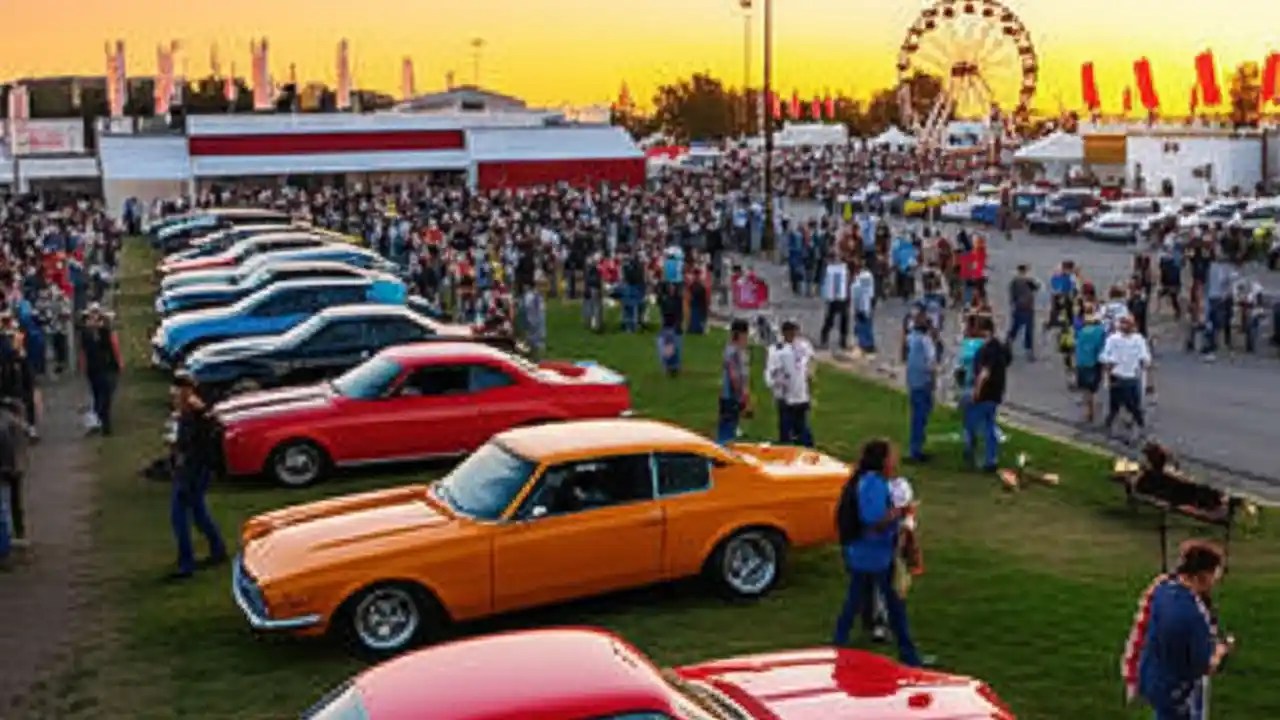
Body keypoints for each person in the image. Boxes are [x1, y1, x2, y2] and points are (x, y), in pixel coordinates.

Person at [832, 439, 925, 667]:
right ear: (881, 460)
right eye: (891, 456)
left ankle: (837, 644)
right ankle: (909, 656)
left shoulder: (866, 481)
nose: (895, 460)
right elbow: (873, 521)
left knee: (856, 600)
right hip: (874, 554)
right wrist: (902, 511)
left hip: (865, 553)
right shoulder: (873, 484)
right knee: (894, 603)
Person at [1123, 540, 1233, 720]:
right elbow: (1205, 666)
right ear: (1202, 575)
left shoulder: (1162, 589)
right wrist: (1221, 651)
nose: (1216, 580)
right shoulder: (1193, 617)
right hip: (1180, 693)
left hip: (1157, 680)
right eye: (1215, 574)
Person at [168, 372, 228, 580]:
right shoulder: (197, 411)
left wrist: (177, 449)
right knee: (198, 512)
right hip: (198, 469)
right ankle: (217, 549)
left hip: (192, 471)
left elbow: (189, 444)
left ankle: (186, 563)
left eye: (176, 390)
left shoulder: (194, 413)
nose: (173, 394)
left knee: (179, 516)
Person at [965, 315, 1009, 472]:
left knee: (973, 423)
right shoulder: (1000, 347)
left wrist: (976, 391)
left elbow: (985, 373)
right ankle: (991, 458)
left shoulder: (987, 350)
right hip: (996, 392)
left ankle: (973, 454)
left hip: (985, 392)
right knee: (990, 425)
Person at [1101, 315, 1152, 443]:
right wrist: (1109, 363)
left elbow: (1145, 356)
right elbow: (1104, 355)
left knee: (1133, 405)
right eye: (1122, 323)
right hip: (1117, 376)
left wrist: (1145, 362)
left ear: (1133, 325)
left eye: (1127, 323)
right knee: (1115, 404)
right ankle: (1110, 426)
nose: (1124, 326)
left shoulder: (1138, 339)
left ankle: (1139, 426)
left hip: (1132, 377)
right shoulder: (1113, 339)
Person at [766, 320, 814, 447]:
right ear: (784, 332)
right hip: (785, 397)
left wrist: (810, 383)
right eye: (791, 331)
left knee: (802, 428)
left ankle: (806, 450)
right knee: (785, 430)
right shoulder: (776, 350)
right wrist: (779, 385)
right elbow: (771, 374)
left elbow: (809, 364)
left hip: (801, 395)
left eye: (795, 331)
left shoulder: (803, 346)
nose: (793, 334)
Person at [80, 303, 122, 435]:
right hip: (97, 368)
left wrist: (118, 361)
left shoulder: (104, 331)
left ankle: (103, 422)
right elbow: (83, 352)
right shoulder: (89, 333)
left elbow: (114, 346)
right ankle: (102, 421)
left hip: (105, 367)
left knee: (104, 395)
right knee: (101, 395)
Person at [903, 307, 937, 463]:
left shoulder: (912, 338)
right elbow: (931, 364)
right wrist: (933, 381)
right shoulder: (925, 341)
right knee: (921, 416)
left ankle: (916, 447)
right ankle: (916, 449)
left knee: (917, 416)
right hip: (923, 382)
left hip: (913, 381)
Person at [0, 397, 30, 555]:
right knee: (15, 501)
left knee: (5, 505)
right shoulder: (17, 424)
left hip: (6, 468)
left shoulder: (6, 424)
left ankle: (6, 542)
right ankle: (19, 532)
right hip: (15, 467)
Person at [716, 319, 751, 445]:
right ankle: (723, 448)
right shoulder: (734, 351)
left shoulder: (735, 350)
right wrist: (741, 395)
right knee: (728, 424)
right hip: (731, 394)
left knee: (731, 423)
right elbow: (734, 375)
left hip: (731, 394)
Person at [1074, 308, 1107, 424]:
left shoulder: (1080, 332)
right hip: (1094, 362)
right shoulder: (1099, 331)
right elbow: (1102, 347)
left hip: (1082, 363)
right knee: (1094, 387)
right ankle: (1092, 409)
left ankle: (1089, 410)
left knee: (1086, 389)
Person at [1006, 264, 1040, 361]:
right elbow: (1037, 287)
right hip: (1026, 308)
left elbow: (1012, 296)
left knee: (1016, 328)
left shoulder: (1015, 282)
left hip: (1021, 307)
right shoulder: (1026, 281)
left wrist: (1013, 305)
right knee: (1026, 329)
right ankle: (1028, 351)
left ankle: (1009, 343)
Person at [818, 252, 850, 350]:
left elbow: (847, 281)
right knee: (830, 320)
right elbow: (825, 283)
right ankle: (824, 338)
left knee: (843, 319)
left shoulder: (843, 268)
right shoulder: (829, 269)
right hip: (833, 298)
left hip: (841, 297)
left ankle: (842, 340)